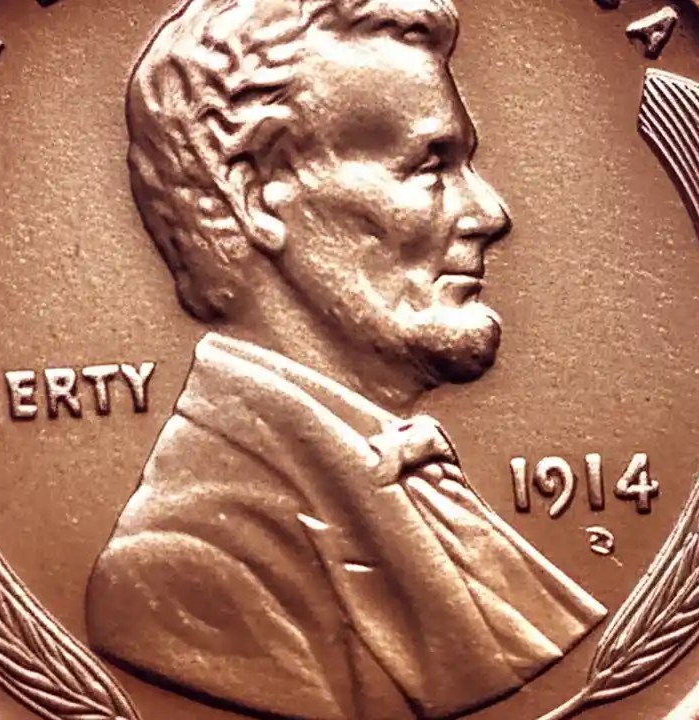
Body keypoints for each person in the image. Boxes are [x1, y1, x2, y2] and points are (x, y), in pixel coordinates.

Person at [86, 1, 607, 717]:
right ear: (255, 194)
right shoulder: (183, 569)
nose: (489, 212)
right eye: (431, 166)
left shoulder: (399, 472)